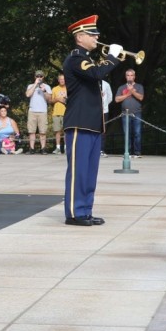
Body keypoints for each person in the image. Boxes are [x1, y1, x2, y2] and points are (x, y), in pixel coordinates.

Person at [63, 15, 120, 226]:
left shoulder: (86, 59)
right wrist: (113, 57)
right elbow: (97, 73)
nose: (97, 37)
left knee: (89, 171)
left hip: (92, 123)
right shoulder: (76, 59)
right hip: (79, 122)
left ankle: (85, 210)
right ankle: (74, 212)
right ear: (80, 37)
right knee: (78, 170)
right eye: (92, 34)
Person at [114, 68, 145, 157]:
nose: (130, 77)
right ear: (126, 77)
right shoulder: (121, 87)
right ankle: (127, 153)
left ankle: (137, 152)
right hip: (125, 114)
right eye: (128, 75)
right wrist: (128, 94)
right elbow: (116, 99)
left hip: (137, 113)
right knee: (126, 134)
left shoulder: (139, 87)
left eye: (131, 75)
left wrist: (132, 91)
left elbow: (141, 97)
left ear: (134, 77)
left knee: (137, 133)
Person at [25, 71, 52, 153]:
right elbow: (28, 95)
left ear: (43, 77)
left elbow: (49, 99)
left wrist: (44, 91)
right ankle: (31, 149)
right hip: (32, 111)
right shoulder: (30, 86)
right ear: (35, 77)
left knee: (43, 131)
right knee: (31, 131)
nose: (39, 78)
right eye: (37, 76)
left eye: (41, 76)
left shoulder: (47, 86)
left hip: (43, 111)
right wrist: (35, 85)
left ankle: (43, 148)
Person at [50, 74, 68, 155]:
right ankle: (57, 148)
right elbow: (51, 101)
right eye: (60, 79)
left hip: (67, 112)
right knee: (57, 131)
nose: (62, 80)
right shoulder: (54, 89)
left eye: (63, 79)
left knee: (66, 131)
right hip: (56, 112)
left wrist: (63, 100)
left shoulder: (69, 88)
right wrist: (57, 99)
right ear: (58, 80)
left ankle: (66, 147)